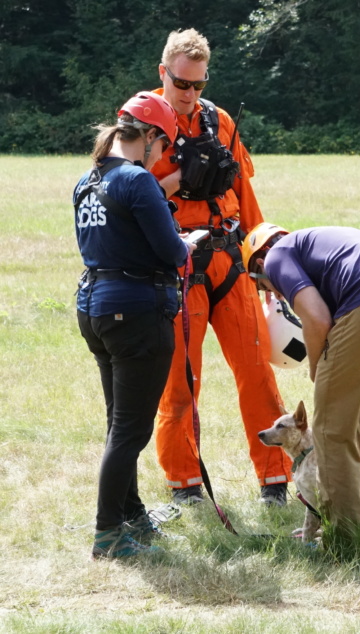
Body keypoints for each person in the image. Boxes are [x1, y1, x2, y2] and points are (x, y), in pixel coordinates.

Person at [149, 29, 292, 506]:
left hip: (230, 260)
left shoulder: (220, 120)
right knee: (180, 381)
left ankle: (275, 478)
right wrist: (179, 177)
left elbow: (246, 197)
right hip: (177, 266)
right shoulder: (143, 123)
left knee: (257, 373)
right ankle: (185, 483)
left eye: (198, 85)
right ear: (162, 73)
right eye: (181, 84)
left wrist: (266, 260)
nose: (189, 95)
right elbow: (131, 195)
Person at [241, 223, 360, 543]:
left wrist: (319, 369)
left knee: (330, 431)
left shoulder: (276, 257)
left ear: (259, 264)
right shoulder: (312, 245)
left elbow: (317, 318)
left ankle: (345, 539)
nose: (271, 294)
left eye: (263, 287)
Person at [74, 92, 193, 558]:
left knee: (119, 423)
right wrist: (190, 242)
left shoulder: (86, 180)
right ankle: (108, 534)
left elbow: (114, 239)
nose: (162, 157)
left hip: (96, 306)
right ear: (149, 137)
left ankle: (132, 516)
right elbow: (171, 252)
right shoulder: (137, 180)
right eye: (162, 147)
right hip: (137, 310)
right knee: (130, 430)